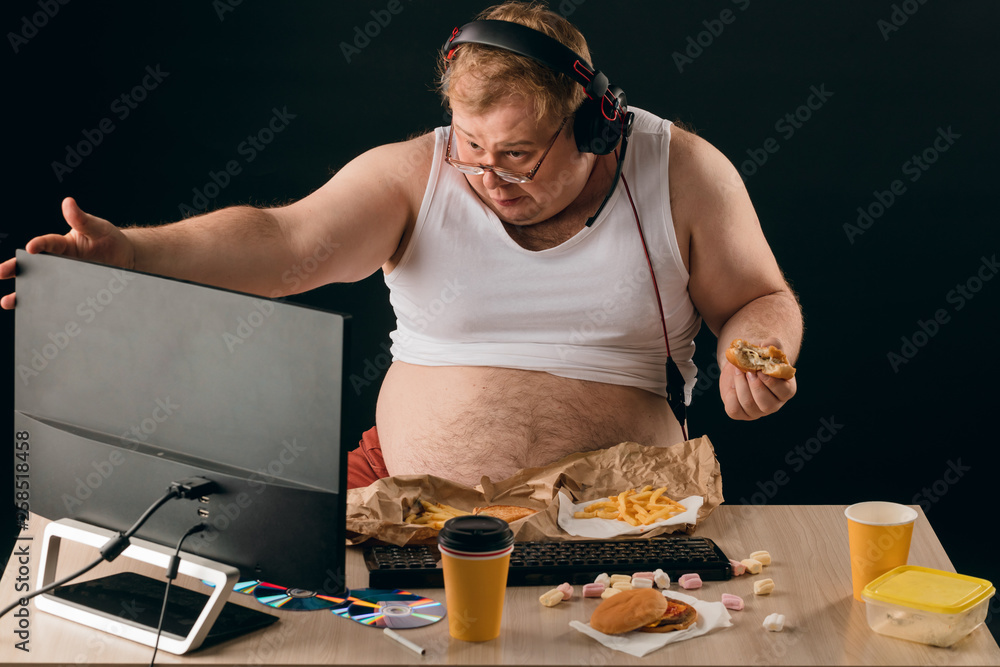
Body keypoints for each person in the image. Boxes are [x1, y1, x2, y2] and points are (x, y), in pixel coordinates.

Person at [0, 2, 801, 489]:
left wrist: (755, 347)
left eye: (518, 153)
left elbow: (760, 300)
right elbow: (284, 240)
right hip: (403, 499)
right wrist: (135, 254)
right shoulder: (418, 172)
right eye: (472, 146)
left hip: (622, 510)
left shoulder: (682, 172)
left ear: (594, 123)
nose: (489, 175)